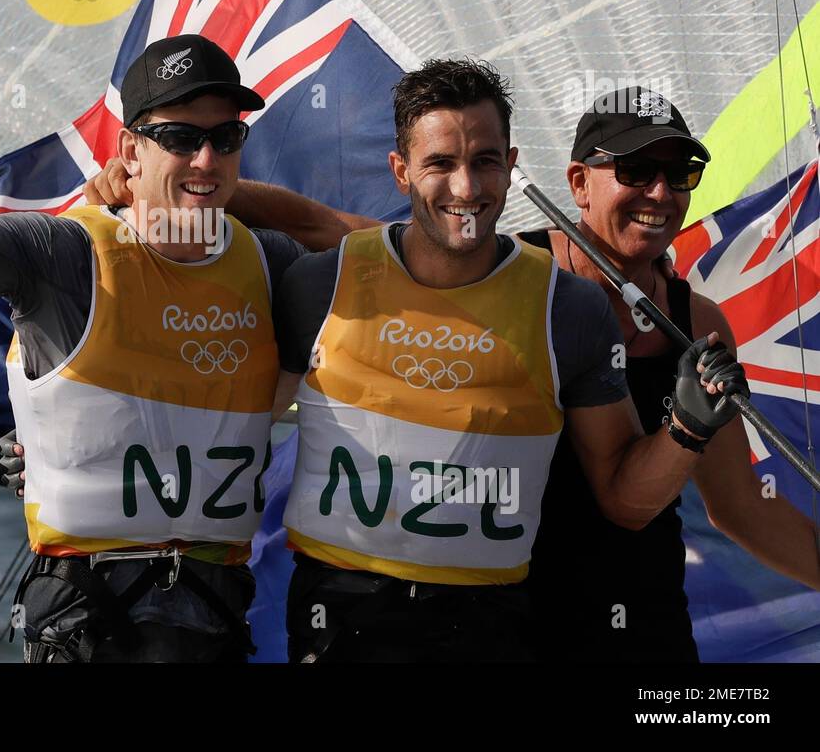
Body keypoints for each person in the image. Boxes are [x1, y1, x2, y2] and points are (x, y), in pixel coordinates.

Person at [78, 58, 748, 662]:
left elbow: (627, 503)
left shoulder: (566, 308)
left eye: (486, 161)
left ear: (512, 164)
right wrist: (77, 448)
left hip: (490, 629)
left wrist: (688, 427)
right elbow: (214, 411)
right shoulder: (322, 283)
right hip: (340, 623)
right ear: (401, 170)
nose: (466, 186)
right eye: (440, 164)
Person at [0, 0, 306, 662]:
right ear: (130, 150)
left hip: (214, 618)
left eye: (226, 138)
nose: (206, 158)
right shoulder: (62, 258)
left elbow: (402, 277)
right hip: (89, 623)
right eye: (181, 138)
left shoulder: (274, 266)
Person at [521, 87, 820, 662]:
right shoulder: (513, 275)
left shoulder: (697, 322)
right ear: (579, 183)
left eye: (679, 174)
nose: (659, 193)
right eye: (635, 170)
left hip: (651, 630)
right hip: (519, 625)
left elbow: (740, 506)